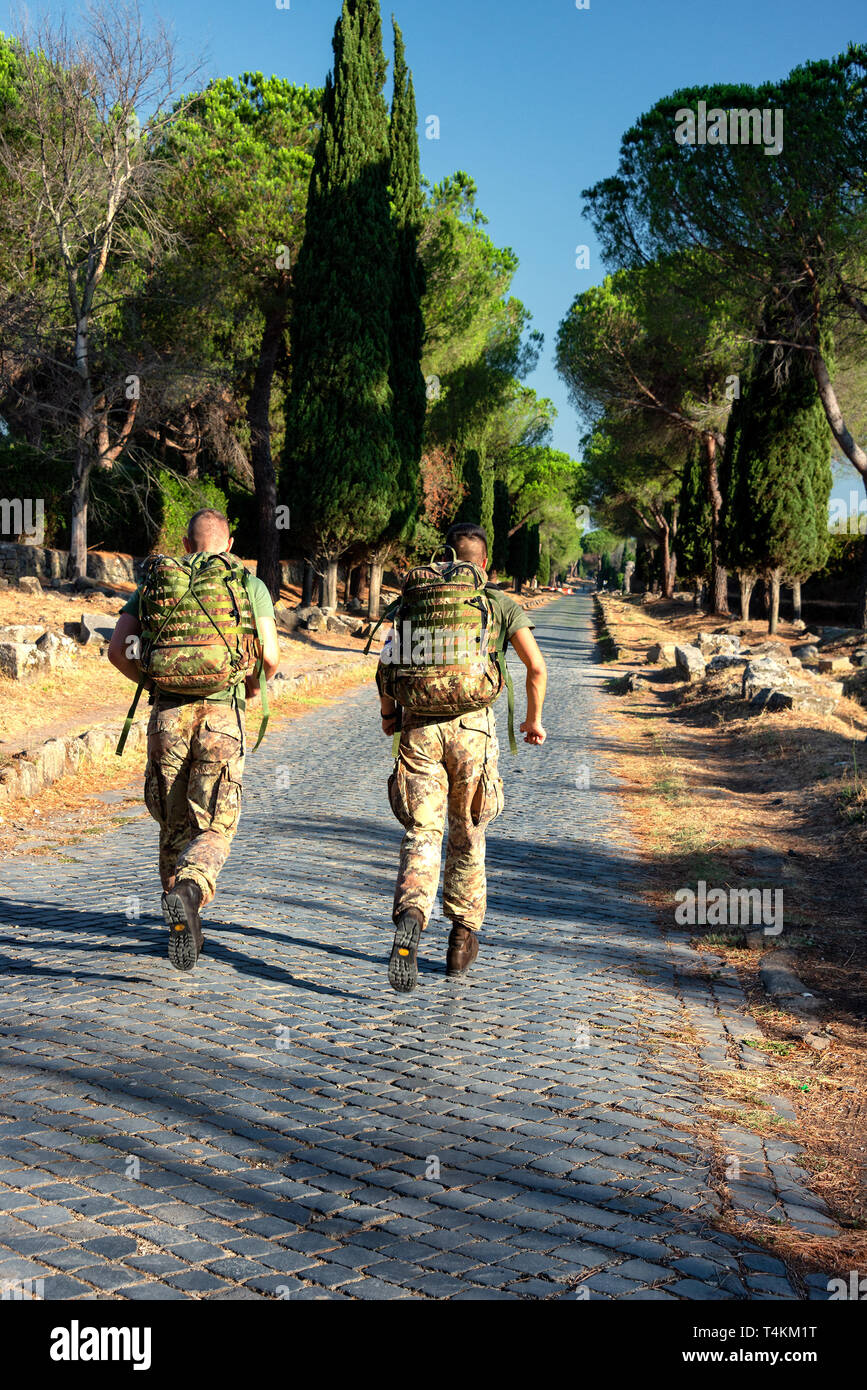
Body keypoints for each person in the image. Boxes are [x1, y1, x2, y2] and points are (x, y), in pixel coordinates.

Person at [108, 509, 280, 971]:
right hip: (222, 716)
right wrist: (243, 691)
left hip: (166, 719)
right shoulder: (246, 584)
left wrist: (153, 683)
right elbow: (271, 656)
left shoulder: (160, 581)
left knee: (173, 824)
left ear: (187, 545)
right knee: (216, 825)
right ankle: (190, 889)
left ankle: (182, 924)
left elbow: (117, 647)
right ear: (227, 544)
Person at [380, 522, 547, 992]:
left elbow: (386, 664)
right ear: (484, 565)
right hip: (473, 729)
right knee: (468, 832)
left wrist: (390, 714)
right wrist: (533, 721)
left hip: (418, 728)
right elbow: (536, 667)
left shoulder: (418, 600)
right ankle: (460, 939)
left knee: (423, 831)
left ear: (442, 557)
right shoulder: (497, 604)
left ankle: (412, 913)